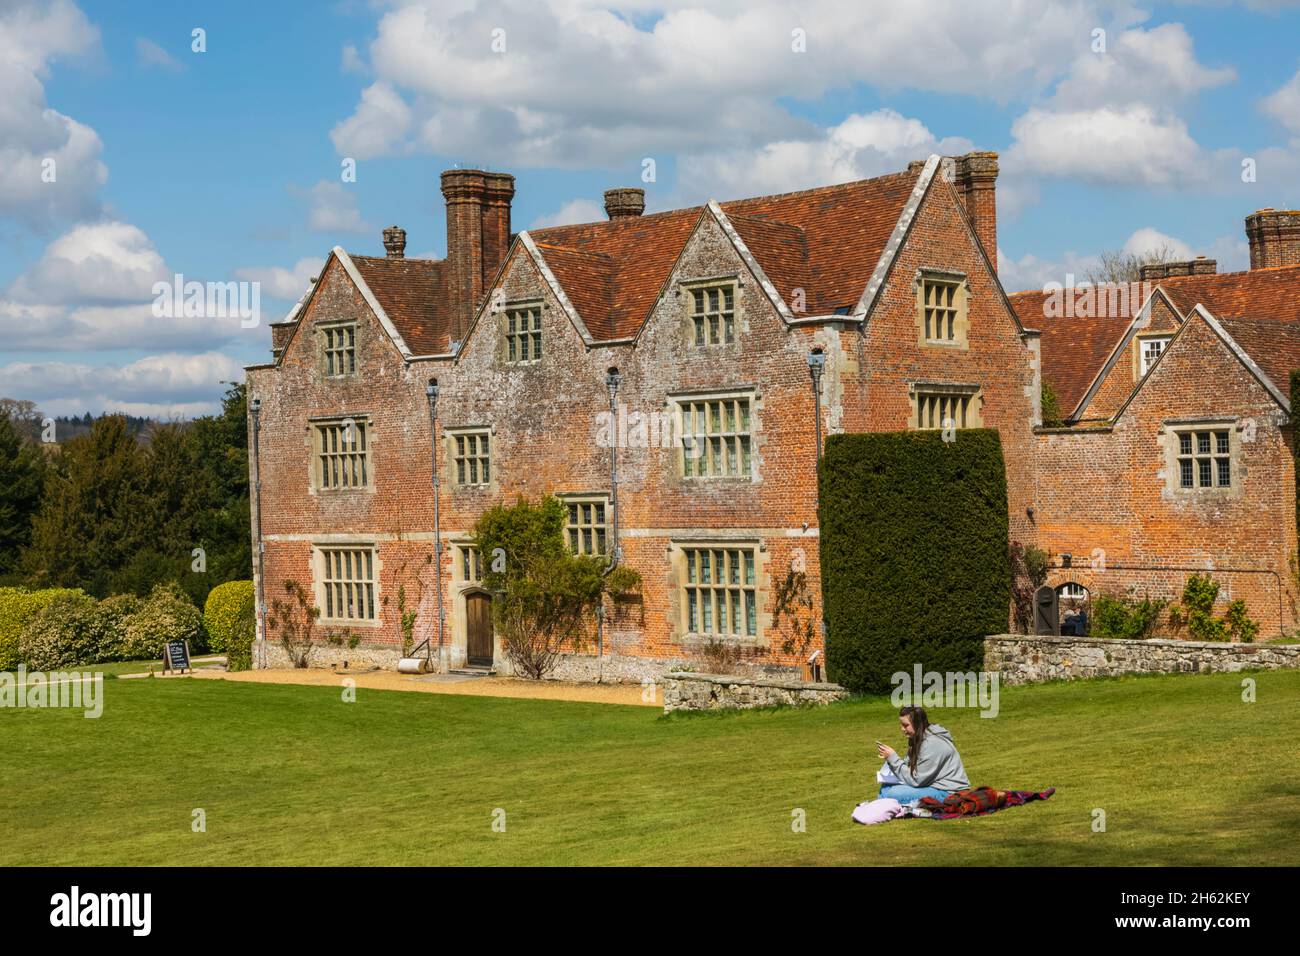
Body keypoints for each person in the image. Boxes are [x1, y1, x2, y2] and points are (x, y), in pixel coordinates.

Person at [875, 705, 970, 804]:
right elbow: (910, 768)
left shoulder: (932, 744)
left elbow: (916, 781)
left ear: (917, 724)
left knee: (892, 793)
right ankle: (881, 807)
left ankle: (881, 807)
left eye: (905, 725)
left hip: (948, 792)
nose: (902, 729)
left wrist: (893, 758)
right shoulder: (918, 738)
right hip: (932, 785)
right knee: (886, 788)